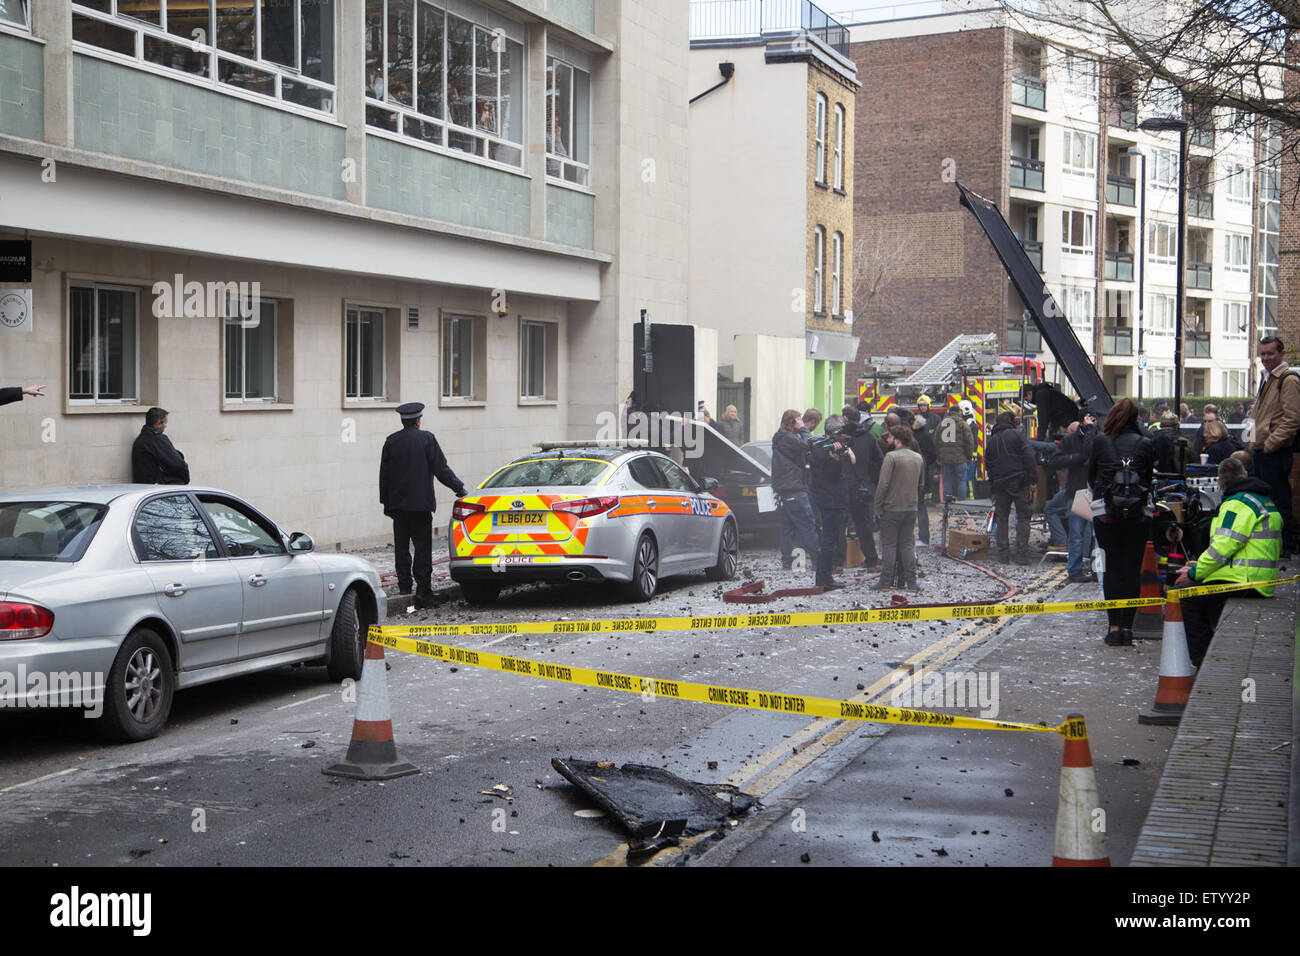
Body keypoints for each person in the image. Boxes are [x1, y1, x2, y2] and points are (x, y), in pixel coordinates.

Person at [1171, 457, 1282, 668]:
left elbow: (1223, 547)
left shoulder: (1236, 505)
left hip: (1244, 581)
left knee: (1185, 595)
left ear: (1221, 483)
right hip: (1257, 578)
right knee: (1202, 592)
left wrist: (1194, 573)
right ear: (1246, 475)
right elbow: (1238, 549)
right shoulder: (1262, 499)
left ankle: (1204, 661)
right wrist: (1197, 565)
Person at [380, 402, 467, 607]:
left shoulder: (391, 441)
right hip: (421, 504)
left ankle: (403, 586)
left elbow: (384, 476)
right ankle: (423, 590)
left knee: (401, 547)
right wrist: (459, 489)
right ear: (418, 421)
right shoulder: (427, 439)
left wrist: (386, 504)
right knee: (422, 547)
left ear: (403, 421)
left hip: (398, 506)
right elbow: (441, 469)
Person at [1088, 398, 1156, 646]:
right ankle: (1128, 628)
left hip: (1106, 515)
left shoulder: (1101, 441)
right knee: (1132, 570)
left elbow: (1091, 476)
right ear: (1135, 417)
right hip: (1138, 516)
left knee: (1112, 569)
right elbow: (1147, 478)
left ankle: (1113, 627)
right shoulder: (1146, 443)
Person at [1248, 335, 1300, 553]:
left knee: (1278, 500)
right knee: (1267, 501)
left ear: (1281, 354)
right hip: (1261, 450)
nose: (1266, 358)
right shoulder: (1268, 378)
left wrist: (1271, 443)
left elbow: (1292, 419)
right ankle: (1273, 544)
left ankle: (1285, 545)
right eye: (1263, 353)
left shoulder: (1287, 380)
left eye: (1270, 353)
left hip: (1274, 452)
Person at [873, 426, 925, 592]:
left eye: (889, 438)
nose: (887, 440)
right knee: (907, 545)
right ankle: (912, 583)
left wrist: (878, 506)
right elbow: (921, 484)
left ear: (897, 440)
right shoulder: (918, 458)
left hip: (891, 507)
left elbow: (883, 484)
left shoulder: (891, 457)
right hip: (911, 508)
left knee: (889, 546)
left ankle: (885, 583)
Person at [985, 410, 1037, 564]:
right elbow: (1029, 456)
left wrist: (992, 485)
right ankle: (1021, 554)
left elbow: (988, 465)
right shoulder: (1017, 435)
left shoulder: (992, 440)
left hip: (1000, 484)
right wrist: (1033, 479)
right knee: (1023, 517)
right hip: (1019, 482)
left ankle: (1003, 555)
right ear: (1012, 422)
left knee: (1002, 518)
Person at [1049, 415, 1097, 582]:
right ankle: (1076, 570)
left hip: (1092, 490)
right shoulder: (1071, 440)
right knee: (1077, 533)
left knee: (1093, 535)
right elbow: (1055, 460)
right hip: (1078, 490)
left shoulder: (1099, 437)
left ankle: (1094, 569)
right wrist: (1079, 459)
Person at [810, 416, 856, 589]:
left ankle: (825, 577)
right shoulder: (824, 450)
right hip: (831, 500)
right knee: (830, 540)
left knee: (830, 540)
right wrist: (837, 459)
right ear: (834, 434)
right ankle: (824, 579)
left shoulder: (821, 448)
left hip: (829, 499)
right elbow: (832, 475)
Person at [772, 409, 819, 572]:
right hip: (794, 488)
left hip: (786, 489)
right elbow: (808, 444)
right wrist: (804, 429)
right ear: (792, 423)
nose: (801, 422)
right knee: (807, 524)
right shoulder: (788, 438)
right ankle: (818, 561)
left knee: (788, 527)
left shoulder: (780, 438)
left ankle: (788, 562)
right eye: (798, 420)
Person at [131, 407, 190, 485]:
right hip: (160, 487)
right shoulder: (156, 439)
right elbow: (177, 464)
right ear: (158, 423)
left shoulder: (142, 439)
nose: (166, 426)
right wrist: (185, 478)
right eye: (165, 423)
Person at [907, 409, 938, 541]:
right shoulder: (911, 434)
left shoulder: (922, 435)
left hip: (917, 475)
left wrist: (920, 463)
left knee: (919, 506)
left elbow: (932, 454)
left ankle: (923, 537)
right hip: (911, 475)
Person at [935, 401, 974, 500]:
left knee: (947, 481)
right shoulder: (963, 424)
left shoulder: (941, 424)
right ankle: (962, 504)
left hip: (946, 460)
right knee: (961, 481)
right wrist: (969, 457)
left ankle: (947, 506)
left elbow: (936, 441)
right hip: (960, 459)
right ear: (959, 412)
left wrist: (939, 457)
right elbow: (969, 442)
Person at [1150, 410, 1191, 476]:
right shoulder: (1184, 442)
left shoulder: (1152, 440)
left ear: (1161, 425)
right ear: (1177, 425)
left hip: (1157, 478)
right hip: (1180, 479)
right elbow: (1192, 460)